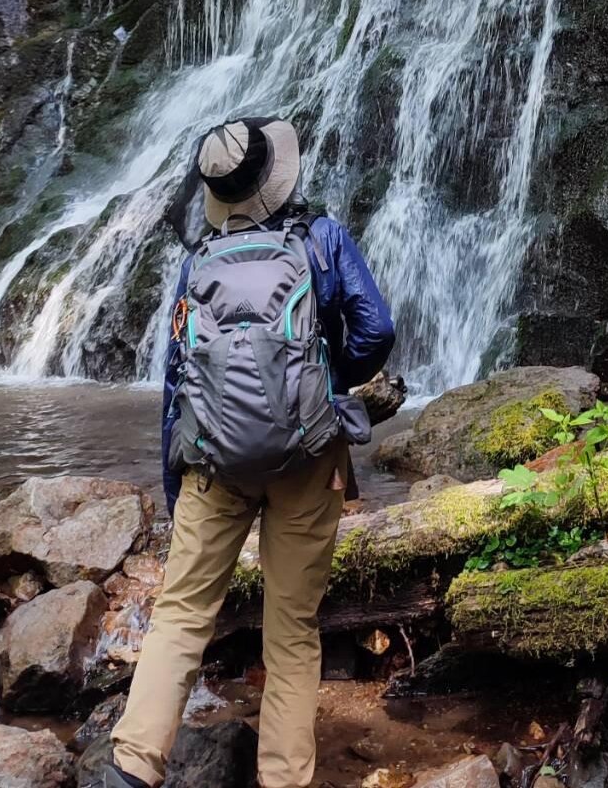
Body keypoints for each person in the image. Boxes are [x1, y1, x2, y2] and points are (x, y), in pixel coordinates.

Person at [91, 116, 395, 788]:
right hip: (309, 460)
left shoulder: (198, 261)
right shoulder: (321, 239)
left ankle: (131, 769)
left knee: (180, 615)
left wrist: (175, 482)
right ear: (277, 178)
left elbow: (178, 378)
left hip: (213, 463)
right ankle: (284, 777)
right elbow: (376, 329)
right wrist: (328, 387)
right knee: (292, 629)